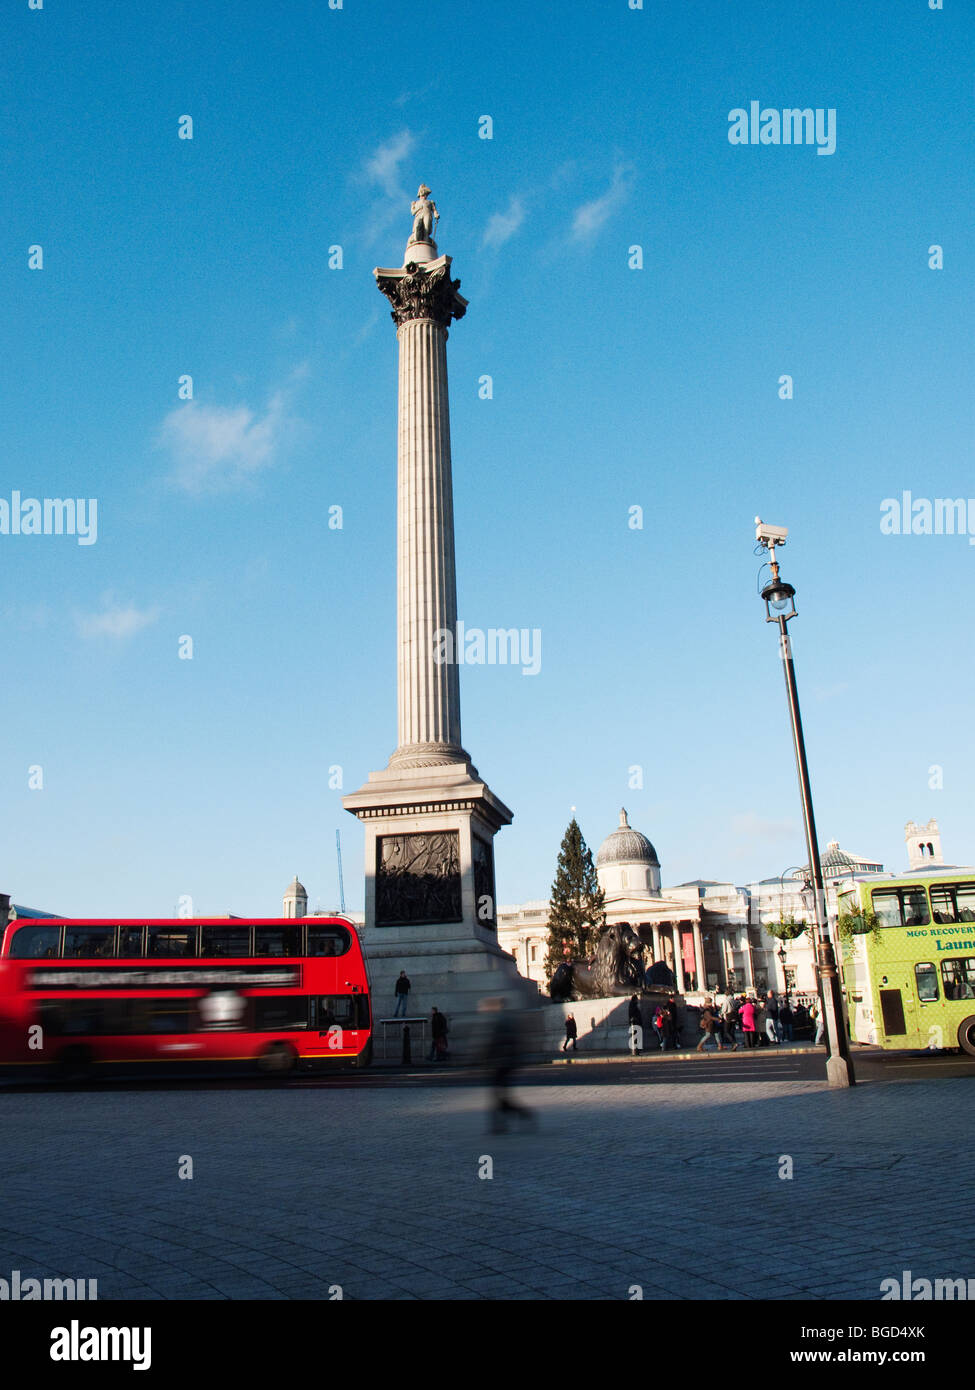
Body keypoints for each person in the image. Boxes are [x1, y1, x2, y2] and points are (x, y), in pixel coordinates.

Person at [482, 997, 534, 1133]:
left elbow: (496, 1042)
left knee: (498, 1095)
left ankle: (513, 1118)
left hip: (503, 1062)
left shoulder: (501, 1021)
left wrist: (487, 1058)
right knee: (499, 1095)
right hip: (506, 1062)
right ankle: (505, 1121)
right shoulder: (505, 1019)